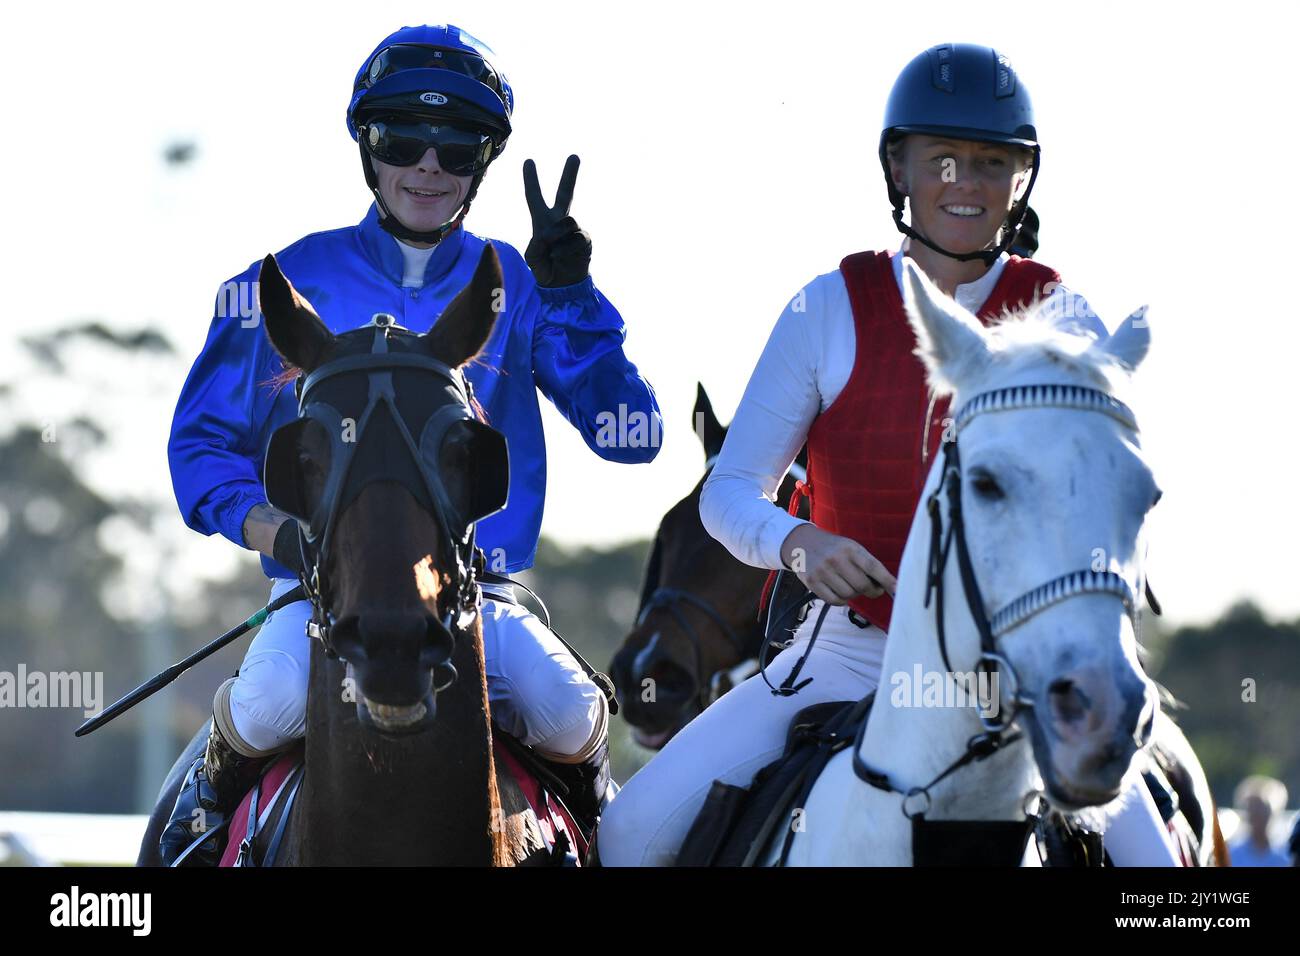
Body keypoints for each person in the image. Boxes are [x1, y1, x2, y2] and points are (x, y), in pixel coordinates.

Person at [599, 43, 1178, 867]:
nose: (965, 182)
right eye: (940, 159)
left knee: (1166, 881)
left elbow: (1106, 488)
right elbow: (728, 493)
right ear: (898, 168)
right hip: (842, 654)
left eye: (991, 162)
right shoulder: (826, 307)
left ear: (1022, 180)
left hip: (1016, 668)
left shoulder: (1063, 316)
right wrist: (798, 544)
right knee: (626, 833)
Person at [160, 23, 661, 864]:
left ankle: (602, 828)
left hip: (482, 595)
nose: (429, 165)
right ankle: (200, 814)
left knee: (571, 713)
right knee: (266, 701)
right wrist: (277, 532)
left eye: (457, 147)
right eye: (404, 139)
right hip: (318, 594)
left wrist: (572, 296)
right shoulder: (277, 283)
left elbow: (634, 437)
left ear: (483, 162)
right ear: (368, 144)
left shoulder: (522, 283)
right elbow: (201, 448)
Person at [1229, 775, 1291, 866]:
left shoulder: (1284, 856)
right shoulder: (1232, 855)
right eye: (1253, 810)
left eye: (1262, 810)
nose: (1258, 816)